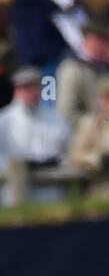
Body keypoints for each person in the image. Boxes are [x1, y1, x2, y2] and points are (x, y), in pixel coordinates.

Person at [0, 66, 70, 205]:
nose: (28, 92)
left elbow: (67, 150)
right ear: (16, 90)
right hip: (16, 189)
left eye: (32, 87)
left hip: (51, 188)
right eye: (23, 88)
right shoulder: (5, 120)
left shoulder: (56, 119)